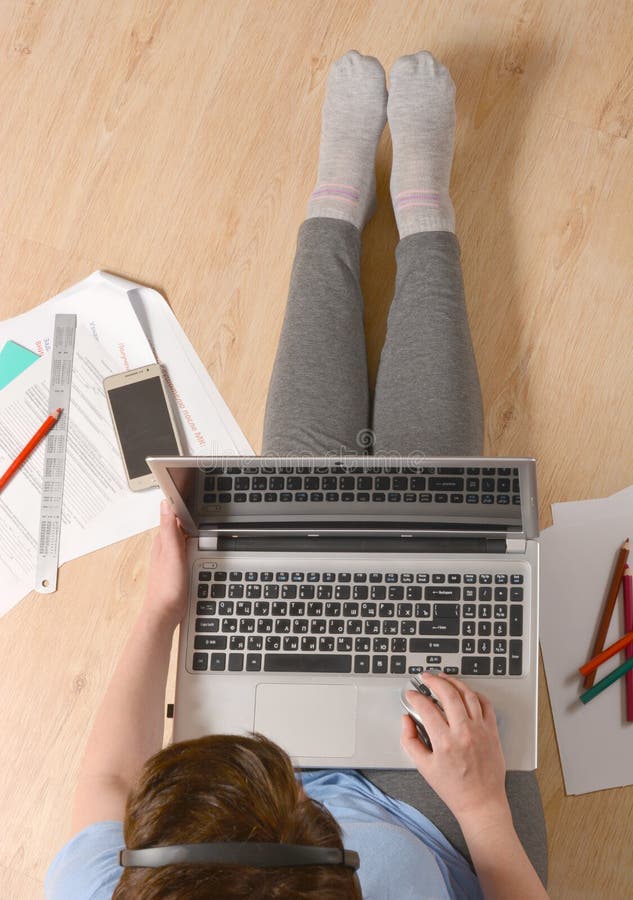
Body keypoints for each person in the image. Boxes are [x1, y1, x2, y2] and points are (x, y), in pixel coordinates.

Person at [45, 51, 549, 899]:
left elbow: (101, 794)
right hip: (441, 814)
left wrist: (160, 612)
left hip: (269, 788)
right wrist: (481, 805)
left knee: (304, 475)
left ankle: (336, 202)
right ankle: (423, 203)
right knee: (431, 490)